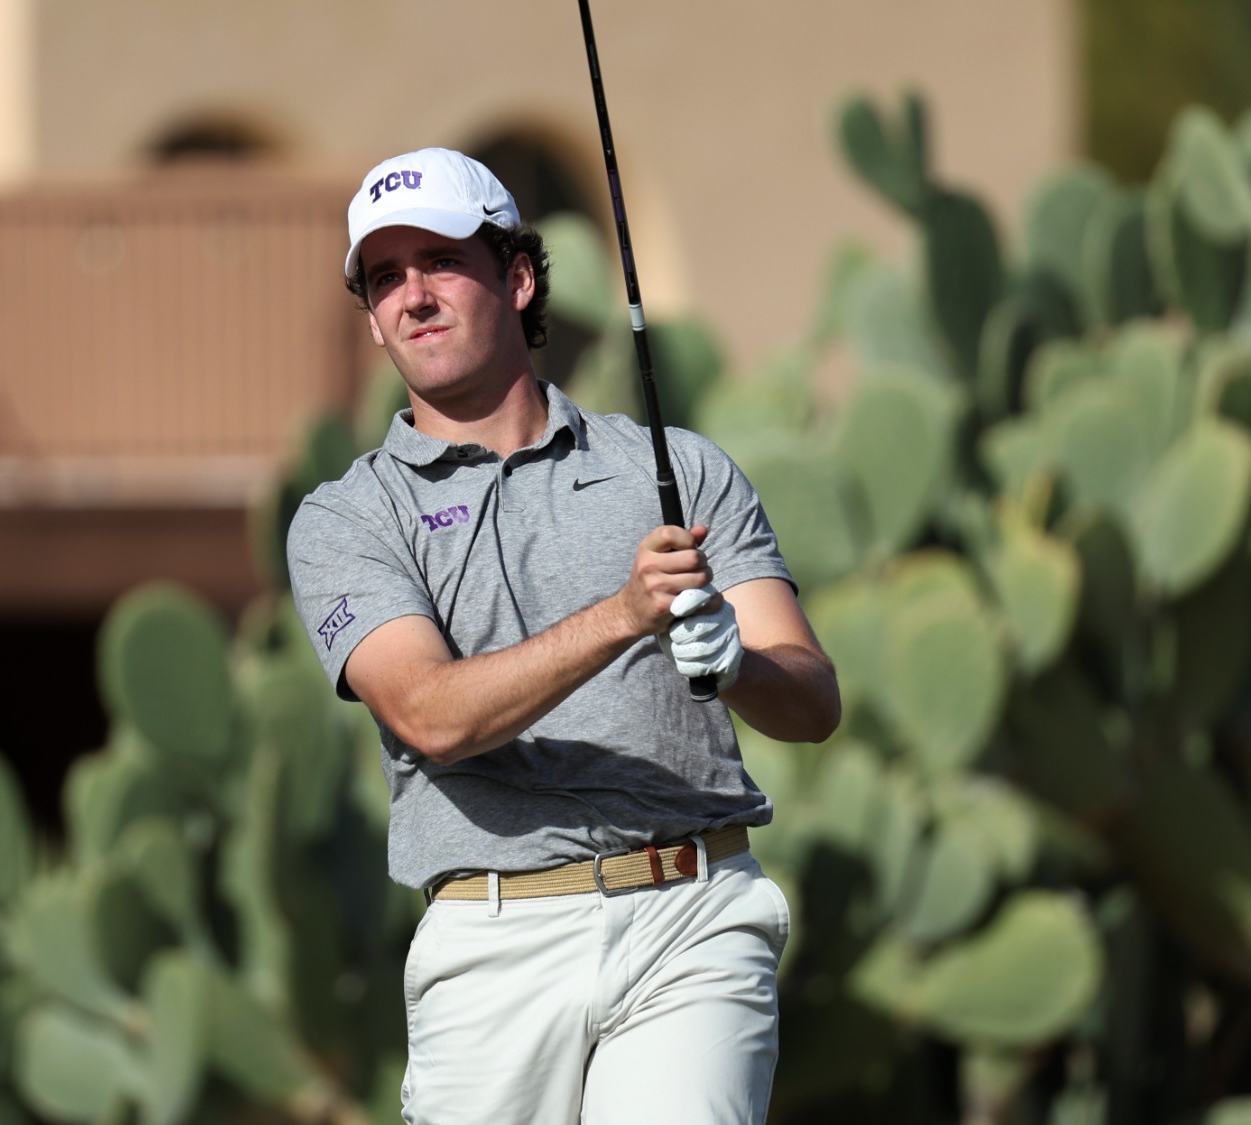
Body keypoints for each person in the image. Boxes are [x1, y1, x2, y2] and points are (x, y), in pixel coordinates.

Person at [285, 147, 840, 1124]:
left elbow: (810, 699)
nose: (411, 295)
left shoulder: (677, 470)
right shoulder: (345, 520)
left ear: (519, 275)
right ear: (371, 319)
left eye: (439, 262)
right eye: (383, 278)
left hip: (690, 913)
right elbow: (430, 715)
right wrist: (625, 616)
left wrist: (737, 664)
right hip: (490, 941)